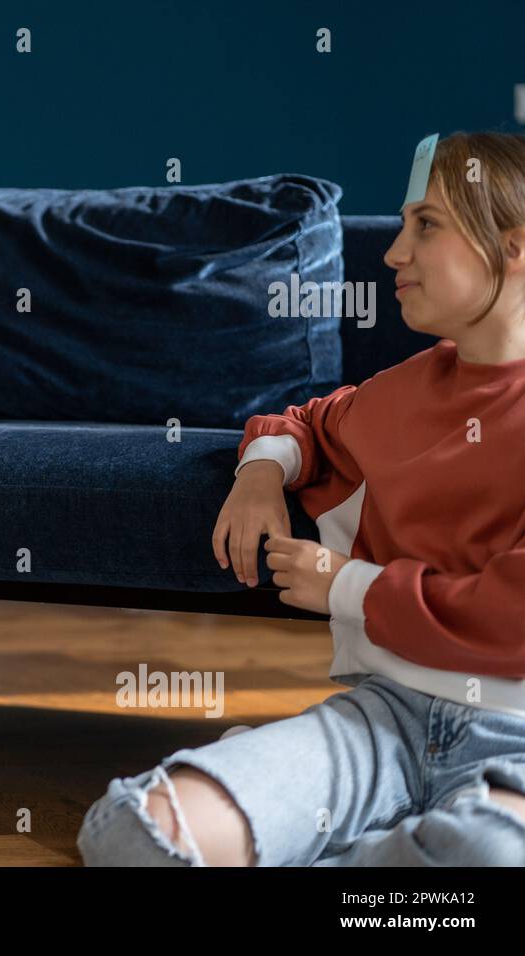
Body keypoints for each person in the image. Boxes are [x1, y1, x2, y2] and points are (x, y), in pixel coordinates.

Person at [78, 131, 525, 866]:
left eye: (426, 225)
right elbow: (307, 422)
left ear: (512, 249)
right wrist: (261, 472)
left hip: (514, 740)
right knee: (132, 835)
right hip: (386, 719)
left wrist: (342, 586)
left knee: (488, 851)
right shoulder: (408, 388)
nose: (393, 254)